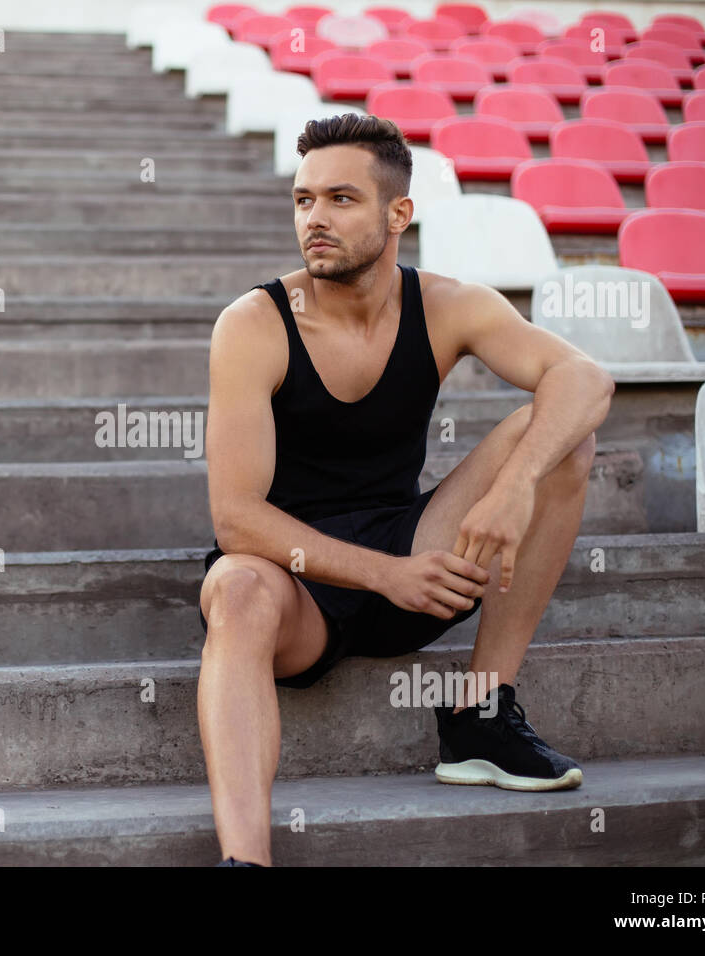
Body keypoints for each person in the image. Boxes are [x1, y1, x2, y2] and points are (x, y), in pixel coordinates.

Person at [197, 114, 615, 867]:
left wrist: (514, 487)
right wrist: (385, 573)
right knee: (233, 590)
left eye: (340, 199)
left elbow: (585, 378)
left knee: (559, 439)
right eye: (302, 201)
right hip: (294, 586)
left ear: (398, 214)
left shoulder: (449, 304)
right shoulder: (255, 324)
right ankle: (246, 860)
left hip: (412, 553)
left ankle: (480, 715)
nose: (314, 219)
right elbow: (235, 520)